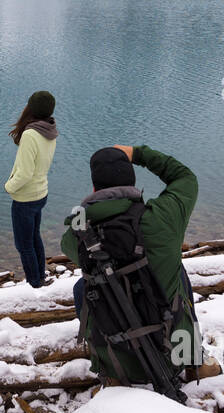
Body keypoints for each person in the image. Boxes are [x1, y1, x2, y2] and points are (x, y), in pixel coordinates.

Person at [60, 143, 204, 374]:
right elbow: (185, 177)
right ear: (132, 181)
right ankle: (195, 361)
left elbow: (70, 246)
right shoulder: (164, 217)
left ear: (95, 187)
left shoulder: (76, 236)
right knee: (176, 271)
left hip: (119, 368)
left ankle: (108, 371)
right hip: (172, 356)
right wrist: (139, 154)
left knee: (83, 286)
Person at [4, 90, 58, 288]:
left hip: (25, 198)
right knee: (34, 237)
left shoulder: (30, 134)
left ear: (31, 108)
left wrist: (9, 187)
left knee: (24, 244)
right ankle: (40, 277)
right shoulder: (50, 130)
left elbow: (25, 173)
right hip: (40, 193)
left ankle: (34, 284)